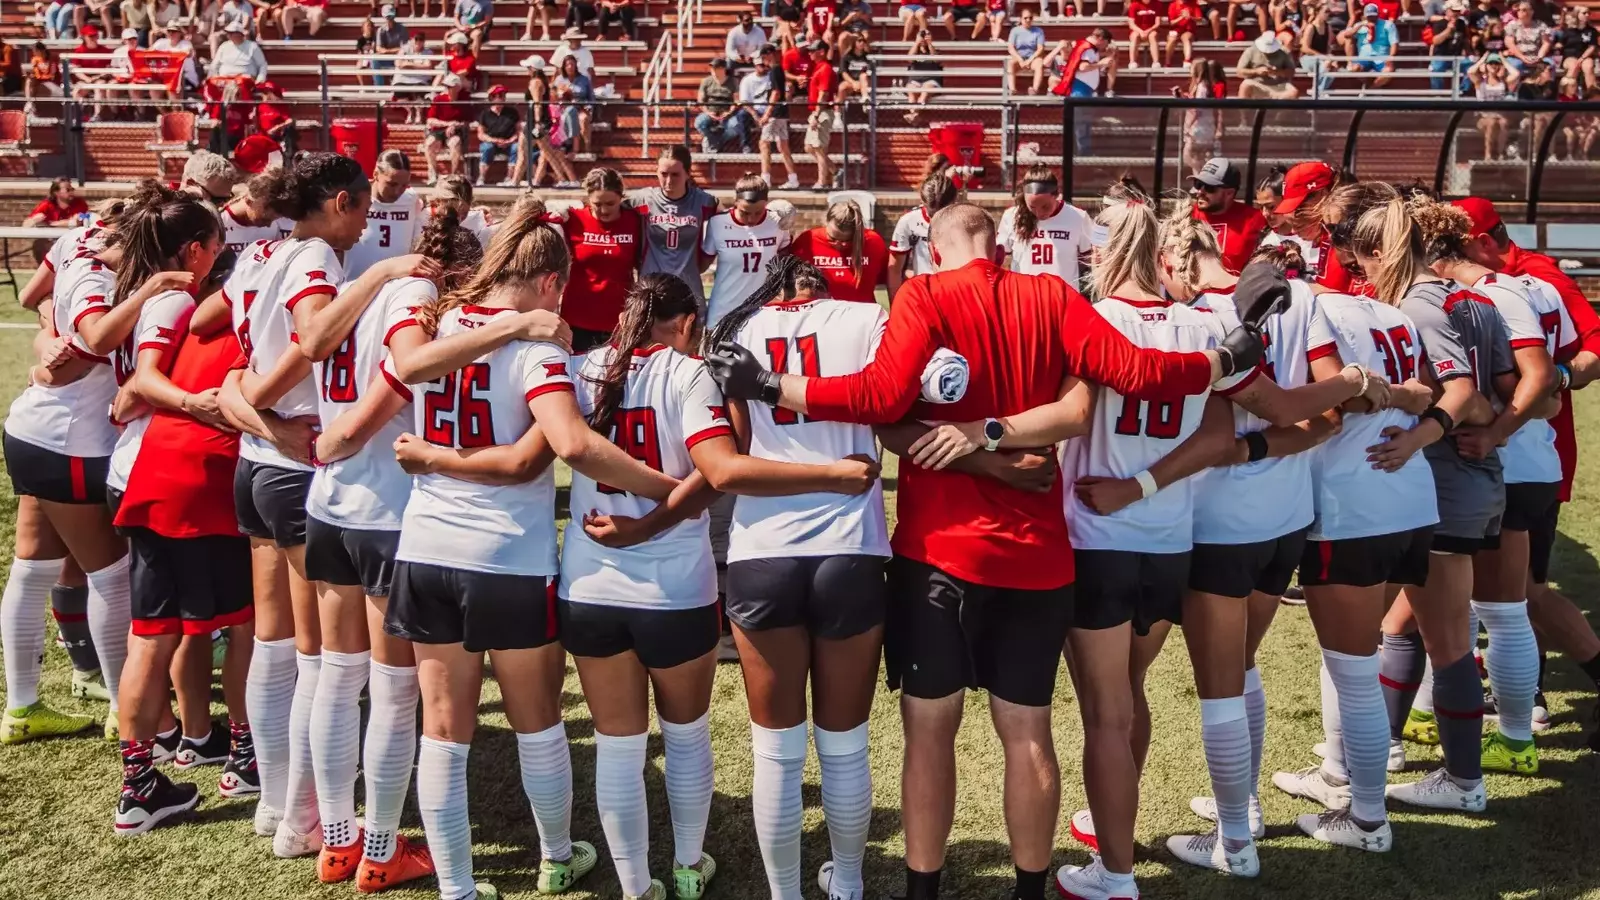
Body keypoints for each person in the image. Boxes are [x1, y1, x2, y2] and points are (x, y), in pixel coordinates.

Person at [703, 201, 1266, 900]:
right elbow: (1140, 371)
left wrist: (769, 384)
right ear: (1000, 242)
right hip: (1036, 555)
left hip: (938, 553)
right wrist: (1221, 359)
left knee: (930, 733)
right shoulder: (1052, 293)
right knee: (1029, 731)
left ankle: (924, 889)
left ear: (931, 248)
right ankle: (1030, 890)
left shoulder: (927, 293)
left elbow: (880, 397)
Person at [383, 194, 675, 900]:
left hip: (426, 546)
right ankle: (554, 856)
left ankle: (458, 887)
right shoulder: (537, 346)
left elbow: (412, 371)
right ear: (551, 284)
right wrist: (666, 486)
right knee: (537, 723)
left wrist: (432, 457)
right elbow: (565, 448)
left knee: (445, 733)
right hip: (507, 557)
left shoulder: (447, 323)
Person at [1150, 215, 1394, 874]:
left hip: (1217, 523)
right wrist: (1268, 439)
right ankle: (1247, 814)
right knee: (1245, 669)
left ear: (1172, 260)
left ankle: (1234, 843)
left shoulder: (1198, 315)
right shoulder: (1304, 298)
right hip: (1286, 518)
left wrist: (1241, 447)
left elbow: (1269, 416)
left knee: (1220, 687)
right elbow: (1323, 415)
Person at [1048, 187, 1253, 900]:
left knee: (1106, 712)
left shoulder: (1092, 321)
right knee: (1129, 695)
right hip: (1169, 539)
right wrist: (1147, 485)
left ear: (1105, 252)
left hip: (1098, 539)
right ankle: (1114, 830)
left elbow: (1065, 420)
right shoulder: (1201, 327)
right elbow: (1222, 435)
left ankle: (1116, 874)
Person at [702, 254, 903, 900]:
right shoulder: (869, 319)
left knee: (776, 749)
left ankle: (786, 893)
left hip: (765, 548)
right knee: (844, 744)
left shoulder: (739, 327)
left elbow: (734, 447)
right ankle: (846, 884)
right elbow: (895, 403)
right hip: (851, 544)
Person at [557, 273, 752, 900]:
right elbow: (714, 471)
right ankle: (689, 868)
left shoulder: (584, 367)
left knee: (618, 746)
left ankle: (637, 886)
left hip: (588, 583)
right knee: (688, 732)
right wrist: (652, 524)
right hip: (674, 587)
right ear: (689, 322)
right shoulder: (688, 373)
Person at [212, 152, 372, 857]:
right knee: (317, 658)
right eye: (363, 208)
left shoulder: (259, 251)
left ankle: (276, 804)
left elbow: (218, 344)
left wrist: (251, 406)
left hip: (255, 466)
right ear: (340, 201)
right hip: (296, 469)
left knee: (274, 649)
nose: (366, 224)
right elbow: (313, 339)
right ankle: (305, 821)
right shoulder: (315, 257)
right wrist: (270, 405)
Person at [1353, 195, 1512, 815]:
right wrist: (1493, 430)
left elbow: (1466, 391)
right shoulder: (1469, 298)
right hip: (1473, 479)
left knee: (1447, 640)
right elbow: (1506, 396)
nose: (1362, 278)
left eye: (1362, 264)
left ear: (1381, 252)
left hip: (1447, 485)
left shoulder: (1417, 303)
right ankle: (1378, 751)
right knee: (1402, 625)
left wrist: (1417, 436)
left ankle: (1464, 780)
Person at [100, 185, 231, 834]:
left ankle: (159, 765)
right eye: (216, 245)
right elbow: (144, 381)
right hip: (157, 466)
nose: (220, 255)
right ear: (193, 249)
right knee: (164, 633)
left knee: (168, 631)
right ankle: (155, 771)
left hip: (146, 463)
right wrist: (203, 405)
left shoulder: (144, 286)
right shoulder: (173, 294)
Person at [1451, 196, 1600, 752]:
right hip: (1516, 452)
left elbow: (1593, 350)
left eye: (1452, 246)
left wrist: (1552, 379)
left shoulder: (1534, 278)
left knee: (1518, 594)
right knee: (1497, 592)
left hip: (1526, 454)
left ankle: (1517, 708)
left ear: (1485, 242)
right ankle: (1510, 697)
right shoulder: (1508, 280)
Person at [2, 194, 139, 748]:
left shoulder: (72, 242)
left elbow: (33, 299)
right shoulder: (103, 278)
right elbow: (89, 343)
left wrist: (45, 338)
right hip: (73, 441)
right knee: (111, 575)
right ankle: (122, 707)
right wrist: (58, 352)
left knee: (31, 569)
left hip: (31, 430)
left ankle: (23, 708)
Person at [562, 167, 645, 352]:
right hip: (578, 317)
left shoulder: (634, 221)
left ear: (621, 197)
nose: (604, 210)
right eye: (597, 204)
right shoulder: (574, 220)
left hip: (619, 319)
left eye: (610, 203)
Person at [628, 145, 719, 308]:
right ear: (656, 171)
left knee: (690, 332)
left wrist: (704, 262)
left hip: (688, 289)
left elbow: (732, 221)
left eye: (675, 174)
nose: (668, 181)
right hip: (651, 288)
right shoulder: (642, 200)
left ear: (688, 173)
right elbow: (604, 211)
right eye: (664, 174)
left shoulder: (704, 202)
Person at [703, 174, 792, 327]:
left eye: (758, 212)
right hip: (724, 312)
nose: (751, 219)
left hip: (763, 312)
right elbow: (702, 265)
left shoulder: (777, 222)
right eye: (745, 212)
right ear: (735, 202)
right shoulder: (717, 223)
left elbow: (786, 262)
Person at [997, 166, 1093, 289]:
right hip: (1025, 297)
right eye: (1032, 207)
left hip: (1063, 299)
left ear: (1056, 195)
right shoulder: (1012, 216)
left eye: (1045, 207)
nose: (1039, 213)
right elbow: (997, 256)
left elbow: (1090, 259)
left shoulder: (1078, 217)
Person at [344, 150, 425, 279]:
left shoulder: (411, 200)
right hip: (355, 281)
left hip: (395, 285)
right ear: (376, 174)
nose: (397, 191)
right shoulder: (355, 199)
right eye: (391, 184)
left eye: (404, 185)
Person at [789, 199, 887, 303]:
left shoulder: (873, 242)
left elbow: (888, 277)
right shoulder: (807, 240)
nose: (839, 244)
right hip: (821, 314)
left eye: (847, 240)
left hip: (861, 314)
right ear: (826, 222)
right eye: (832, 239)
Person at [1191, 158, 1269, 274]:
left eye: (1209, 188)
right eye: (1198, 184)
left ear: (1229, 193)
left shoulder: (1254, 219)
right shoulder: (1188, 215)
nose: (1200, 192)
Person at [888, 171, 958, 298]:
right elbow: (894, 269)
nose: (936, 219)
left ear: (954, 201)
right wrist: (895, 307)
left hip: (954, 293)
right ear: (922, 200)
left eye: (942, 212)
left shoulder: (964, 222)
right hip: (922, 294)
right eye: (932, 213)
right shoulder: (909, 221)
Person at [520, 56, 579, 189]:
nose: (557, 96)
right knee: (545, 154)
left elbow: (537, 105)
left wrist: (537, 122)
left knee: (548, 154)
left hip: (553, 135)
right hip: (551, 133)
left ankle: (571, 180)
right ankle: (539, 180)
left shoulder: (537, 84)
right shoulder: (552, 103)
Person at [750, 44, 801, 189]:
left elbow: (776, 92)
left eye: (764, 56)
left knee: (764, 143)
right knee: (783, 146)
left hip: (775, 113)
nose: (763, 60)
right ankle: (793, 178)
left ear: (769, 55)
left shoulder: (774, 70)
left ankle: (765, 179)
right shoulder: (778, 70)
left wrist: (767, 113)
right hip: (782, 113)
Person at [420, 73, 472, 183]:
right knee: (429, 143)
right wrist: (448, 124)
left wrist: (454, 125)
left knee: (455, 142)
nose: (447, 89)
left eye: (450, 86)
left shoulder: (464, 99)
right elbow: (430, 120)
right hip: (439, 130)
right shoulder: (439, 99)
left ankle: (453, 174)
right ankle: (433, 173)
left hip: (456, 131)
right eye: (446, 86)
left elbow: (467, 121)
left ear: (457, 87)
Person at [802, 40, 837, 190]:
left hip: (822, 111)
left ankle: (822, 182)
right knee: (809, 147)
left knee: (819, 148)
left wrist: (816, 114)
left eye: (812, 50)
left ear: (821, 51)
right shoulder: (818, 68)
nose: (809, 53)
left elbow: (823, 94)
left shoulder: (825, 69)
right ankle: (836, 171)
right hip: (818, 111)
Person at [1337, 3, 1397, 89]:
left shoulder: (1388, 25)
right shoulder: (1359, 25)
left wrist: (1390, 57)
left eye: (1373, 16)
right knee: (1354, 69)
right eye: (1369, 16)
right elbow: (1346, 35)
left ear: (1378, 15)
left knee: (1389, 71)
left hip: (1381, 58)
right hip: (1364, 58)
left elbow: (1394, 43)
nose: (1371, 19)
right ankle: (1368, 84)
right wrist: (1360, 26)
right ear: (1365, 16)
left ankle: (1371, 89)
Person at [695, 58, 747, 154]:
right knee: (699, 122)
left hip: (727, 112)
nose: (713, 70)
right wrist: (709, 113)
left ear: (723, 69)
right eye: (712, 68)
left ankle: (718, 141)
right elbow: (701, 100)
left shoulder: (733, 81)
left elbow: (736, 100)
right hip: (710, 111)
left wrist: (728, 113)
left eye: (716, 68)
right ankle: (714, 141)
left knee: (735, 126)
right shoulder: (706, 81)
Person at [473, 85, 522, 187]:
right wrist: (494, 140)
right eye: (499, 95)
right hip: (491, 141)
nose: (502, 98)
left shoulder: (512, 112)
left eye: (503, 95)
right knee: (487, 148)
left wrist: (511, 140)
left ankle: (509, 178)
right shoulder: (485, 114)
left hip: (509, 142)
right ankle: (481, 178)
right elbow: (481, 134)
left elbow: (519, 130)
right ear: (492, 97)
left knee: (516, 148)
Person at [1468, 53, 1513, 160]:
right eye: (1491, 63)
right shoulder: (1480, 82)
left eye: (1496, 63)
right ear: (1486, 65)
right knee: (1491, 121)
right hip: (1483, 117)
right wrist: (1483, 59)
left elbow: (1516, 74)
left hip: (1499, 117)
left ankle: (1501, 153)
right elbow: (1470, 72)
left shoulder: (1503, 83)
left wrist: (1503, 60)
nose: (1493, 65)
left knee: (1504, 123)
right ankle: (1488, 154)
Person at [1237, 31, 1300, 99]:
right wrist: (1256, 71)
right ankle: (1244, 109)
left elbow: (1291, 72)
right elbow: (1239, 72)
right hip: (1257, 84)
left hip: (1279, 85)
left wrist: (1277, 72)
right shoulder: (1250, 51)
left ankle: (1281, 108)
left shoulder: (1284, 52)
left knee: (1293, 92)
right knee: (1245, 86)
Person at [554, 55, 595, 156]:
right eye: (567, 64)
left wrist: (589, 107)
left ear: (576, 65)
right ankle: (566, 147)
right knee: (564, 117)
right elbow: (553, 96)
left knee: (583, 119)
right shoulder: (559, 79)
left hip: (581, 108)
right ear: (564, 66)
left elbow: (591, 97)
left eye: (572, 64)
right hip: (564, 108)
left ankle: (587, 147)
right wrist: (560, 94)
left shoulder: (584, 79)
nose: (570, 66)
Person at [902, 29, 943, 122]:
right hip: (915, 80)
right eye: (922, 36)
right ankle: (915, 115)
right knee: (911, 91)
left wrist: (929, 44)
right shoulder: (914, 50)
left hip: (931, 81)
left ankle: (913, 114)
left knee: (925, 90)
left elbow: (937, 60)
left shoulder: (935, 50)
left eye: (927, 35)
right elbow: (909, 59)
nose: (924, 38)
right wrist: (916, 43)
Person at [1503, 0, 1553, 77]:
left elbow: (1546, 42)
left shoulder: (1541, 25)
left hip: (1536, 56)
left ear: (1531, 11)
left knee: (1550, 65)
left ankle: (1547, 88)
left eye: (1524, 10)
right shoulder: (1512, 25)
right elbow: (1509, 43)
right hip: (1517, 57)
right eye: (1518, 10)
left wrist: (1539, 57)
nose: (1520, 12)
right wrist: (1522, 57)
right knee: (1515, 66)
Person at [1007, 8, 1050, 95]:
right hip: (1019, 57)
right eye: (1025, 18)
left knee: (1039, 63)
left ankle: (1034, 89)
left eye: (1030, 18)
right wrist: (1020, 60)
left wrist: (1030, 60)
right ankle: (1012, 89)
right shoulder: (1015, 31)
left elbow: (1040, 48)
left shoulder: (1038, 31)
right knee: (1010, 63)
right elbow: (1011, 48)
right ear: (1020, 19)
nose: (1028, 20)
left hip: (1033, 57)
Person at [23, 177, 90, 228]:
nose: (71, 192)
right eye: (68, 190)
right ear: (56, 193)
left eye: (72, 189)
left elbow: (78, 223)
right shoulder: (46, 205)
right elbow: (25, 225)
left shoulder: (79, 203)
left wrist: (51, 224)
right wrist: (33, 221)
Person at [726, 10, 768, 74]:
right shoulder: (733, 32)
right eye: (747, 20)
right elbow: (729, 51)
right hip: (738, 60)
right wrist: (736, 57)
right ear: (740, 21)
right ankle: (731, 83)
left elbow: (763, 49)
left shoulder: (759, 32)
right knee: (728, 63)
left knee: (764, 61)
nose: (750, 22)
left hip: (754, 60)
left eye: (751, 20)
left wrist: (752, 56)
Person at [1167, 0, 1208, 65]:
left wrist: (1190, 17)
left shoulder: (1193, 3)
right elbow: (1171, 22)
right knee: (1172, 40)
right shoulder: (1173, 4)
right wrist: (1182, 17)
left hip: (1188, 29)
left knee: (1186, 38)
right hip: (1176, 29)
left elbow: (1199, 18)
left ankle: (1187, 60)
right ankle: (1167, 62)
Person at [1126, 0, 1161, 68]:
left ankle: (1156, 62)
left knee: (1153, 36)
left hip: (1151, 29)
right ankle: (1132, 62)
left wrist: (1148, 31)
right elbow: (1131, 24)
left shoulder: (1157, 4)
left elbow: (1157, 23)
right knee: (1135, 36)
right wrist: (1141, 31)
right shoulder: (1134, 5)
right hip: (1137, 29)